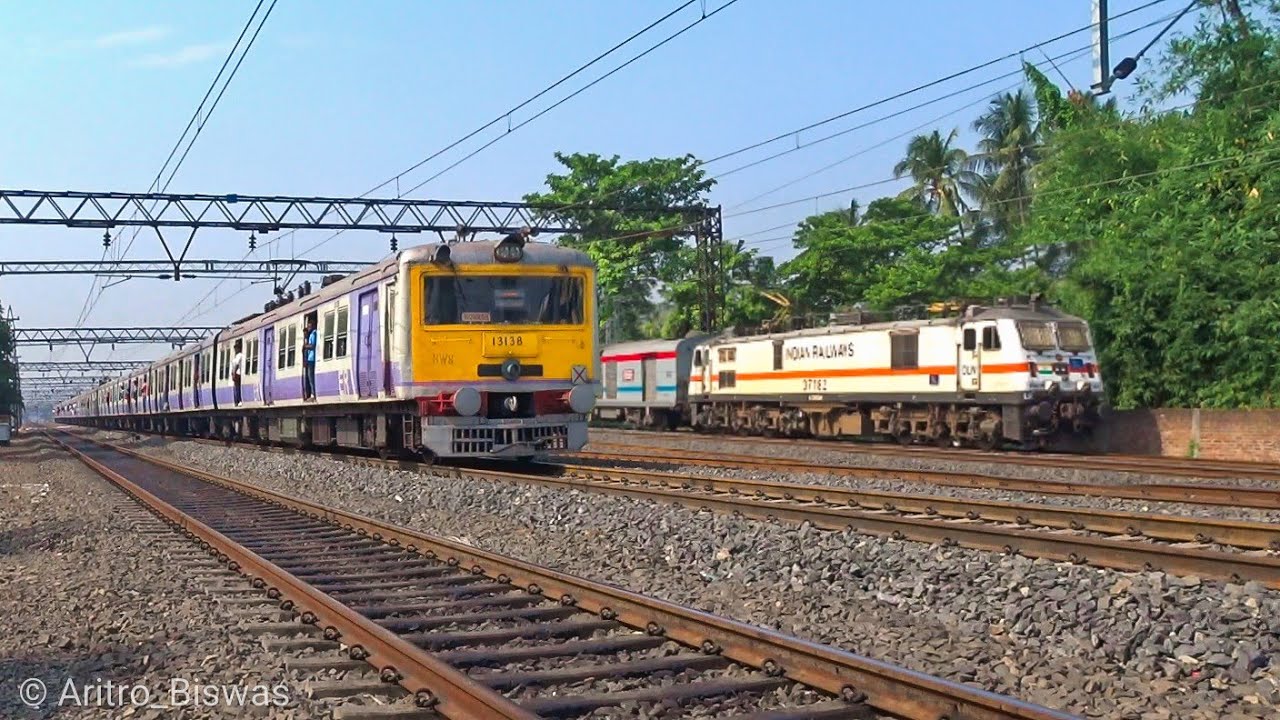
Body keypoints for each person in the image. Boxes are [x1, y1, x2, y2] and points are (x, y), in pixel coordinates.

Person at [303, 318, 317, 401]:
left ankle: (313, 394)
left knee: (311, 377)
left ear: (313, 326)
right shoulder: (311, 334)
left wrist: (305, 346)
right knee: (309, 376)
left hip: (312, 358)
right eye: (308, 327)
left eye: (310, 327)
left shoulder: (314, 334)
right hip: (310, 358)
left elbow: (313, 345)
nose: (308, 328)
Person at [232, 339, 245, 407]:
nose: (235, 349)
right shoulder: (239, 355)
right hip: (238, 373)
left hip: (238, 374)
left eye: (236, 348)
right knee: (237, 387)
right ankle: (238, 400)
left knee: (237, 388)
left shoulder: (239, 355)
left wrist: (234, 374)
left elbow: (236, 365)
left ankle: (238, 401)